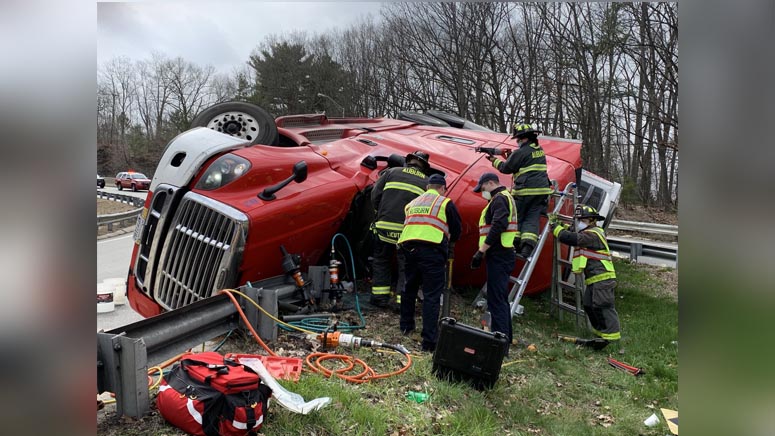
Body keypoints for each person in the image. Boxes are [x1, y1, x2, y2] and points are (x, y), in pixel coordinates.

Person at [397, 174, 462, 352]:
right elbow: (456, 228)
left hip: (409, 250)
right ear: (442, 188)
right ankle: (429, 341)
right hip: (432, 252)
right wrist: (450, 242)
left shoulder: (412, 204)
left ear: (427, 187)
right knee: (431, 296)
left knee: (409, 289)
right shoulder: (444, 202)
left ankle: (406, 326)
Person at [550, 204, 621, 349]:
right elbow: (572, 230)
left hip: (603, 277)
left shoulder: (593, 234)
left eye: (581, 220)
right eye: (577, 220)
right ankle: (600, 334)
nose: (578, 223)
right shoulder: (586, 230)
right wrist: (560, 223)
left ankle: (612, 339)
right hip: (594, 278)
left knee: (603, 306)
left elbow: (572, 238)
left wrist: (555, 229)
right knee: (589, 304)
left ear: (591, 220)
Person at [370, 151, 430, 309]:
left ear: (408, 161)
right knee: (406, 266)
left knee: (381, 261)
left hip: (384, 227)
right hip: (407, 231)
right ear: (424, 166)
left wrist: (380, 212)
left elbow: (375, 194)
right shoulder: (426, 183)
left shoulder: (391, 172)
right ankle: (402, 303)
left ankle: (379, 298)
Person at [487, 123, 553, 259]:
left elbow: (506, 168)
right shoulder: (539, 150)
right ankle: (527, 249)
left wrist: (493, 160)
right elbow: (524, 164)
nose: (517, 142)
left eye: (518, 139)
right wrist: (511, 157)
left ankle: (515, 244)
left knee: (518, 217)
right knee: (532, 219)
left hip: (525, 191)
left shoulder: (521, 152)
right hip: (541, 192)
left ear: (524, 138)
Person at [470, 172, 518, 354]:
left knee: (496, 300)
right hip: (502, 253)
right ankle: (505, 340)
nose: (483, 193)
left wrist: (481, 251)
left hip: (499, 253)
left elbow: (499, 224)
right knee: (500, 299)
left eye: (483, 189)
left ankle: (499, 345)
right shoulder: (505, 198)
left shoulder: (499, 199)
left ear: (490, 183)